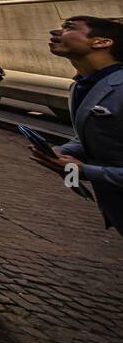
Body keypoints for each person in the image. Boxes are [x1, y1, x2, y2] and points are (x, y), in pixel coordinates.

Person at [32, 16, 123, 233]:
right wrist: (60, 152)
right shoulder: (80, 86)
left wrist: (86, 171)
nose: (55, 33)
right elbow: (96, 136)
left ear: (101, 42)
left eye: (68, 28)